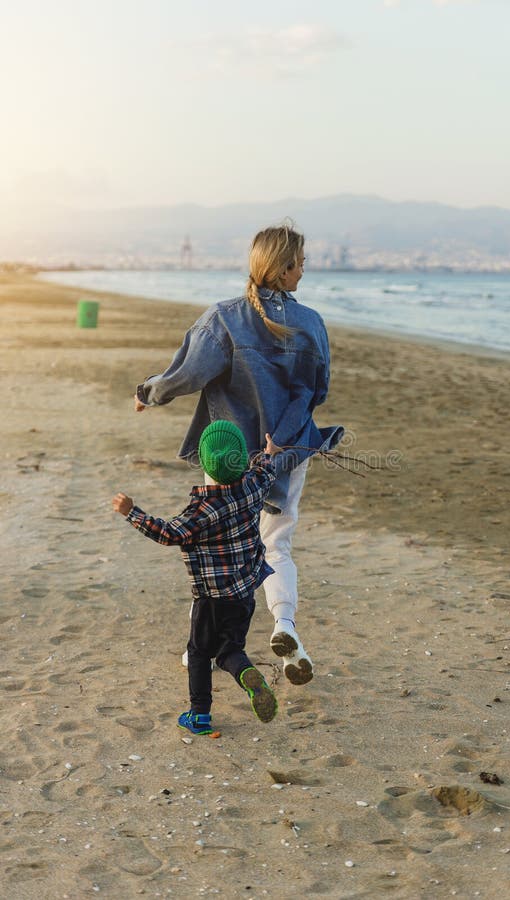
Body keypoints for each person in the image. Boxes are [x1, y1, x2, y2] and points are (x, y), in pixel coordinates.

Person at [133, 224, 343, 685]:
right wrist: (281, 437)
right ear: (285, 270)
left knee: (217, 548)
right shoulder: (310, 324)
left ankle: (198, 653)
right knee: (276, 545)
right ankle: (284, 627)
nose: (304, 270)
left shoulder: (224, 318)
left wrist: (149, 393)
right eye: (301, 263)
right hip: (287, 453)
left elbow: (187, 374)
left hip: (227, 452)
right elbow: (316, 390)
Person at [112, 421, 280, 736]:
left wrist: (131, 512)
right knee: (229, 649)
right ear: (242, 459)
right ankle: (245, 674)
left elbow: (166, 533)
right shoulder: (251, 488)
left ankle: (199, 716)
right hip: (244, 592)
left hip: (211, 598)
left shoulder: (202, 511)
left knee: (200, 651)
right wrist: (268, 454)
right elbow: (265, 473)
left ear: (203, 464)